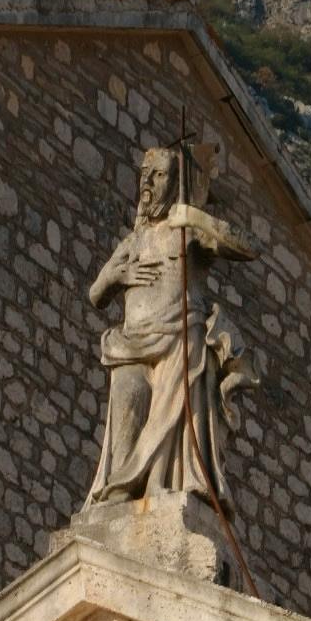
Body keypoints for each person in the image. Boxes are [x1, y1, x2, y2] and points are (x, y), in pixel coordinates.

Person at [85, 143, 254, 506]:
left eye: (159, 175)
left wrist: (194, 217)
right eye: (145, 176)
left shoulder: (187, 232)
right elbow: (96, 295)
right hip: (131, 344)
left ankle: (158, 484)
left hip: (180, 338)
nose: (148, 183)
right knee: (129, 399)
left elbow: (247, 247)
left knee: (169, 418)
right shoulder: (134, 240)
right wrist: (118, 275)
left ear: (174, 183)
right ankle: (120, 489)